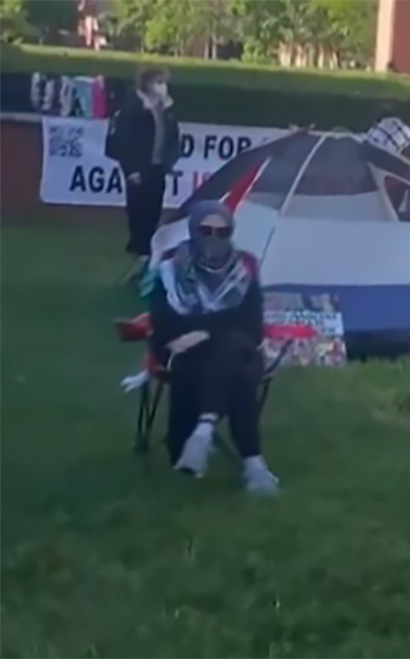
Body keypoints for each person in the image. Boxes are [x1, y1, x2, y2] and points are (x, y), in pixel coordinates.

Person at [148, 201, 279, 495]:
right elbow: (164, 323)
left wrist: (203, 331)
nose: (214, 237)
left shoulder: (244, 269)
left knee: (231, 346)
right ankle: (253, 464)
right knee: (240, 371)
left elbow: (252, 326)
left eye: (222, 232)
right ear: (193, 230)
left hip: (234, 348)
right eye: (206, 230)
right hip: (184, 353)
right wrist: (219, 327)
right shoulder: (172, 268)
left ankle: (203, 430)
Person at [105, 67, 181, 276]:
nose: (163, 87)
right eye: (158, 82)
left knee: (153, 210)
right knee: (138, 211)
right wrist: (131, 169)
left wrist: (169, 162)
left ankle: (147, 253)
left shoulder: (166, 109)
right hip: (138, 168)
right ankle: (139, 252)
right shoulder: (132, 108)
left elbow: (172, 137)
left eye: (164, 83)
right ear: (147, 84)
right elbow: (123, 142)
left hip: (158, 168)